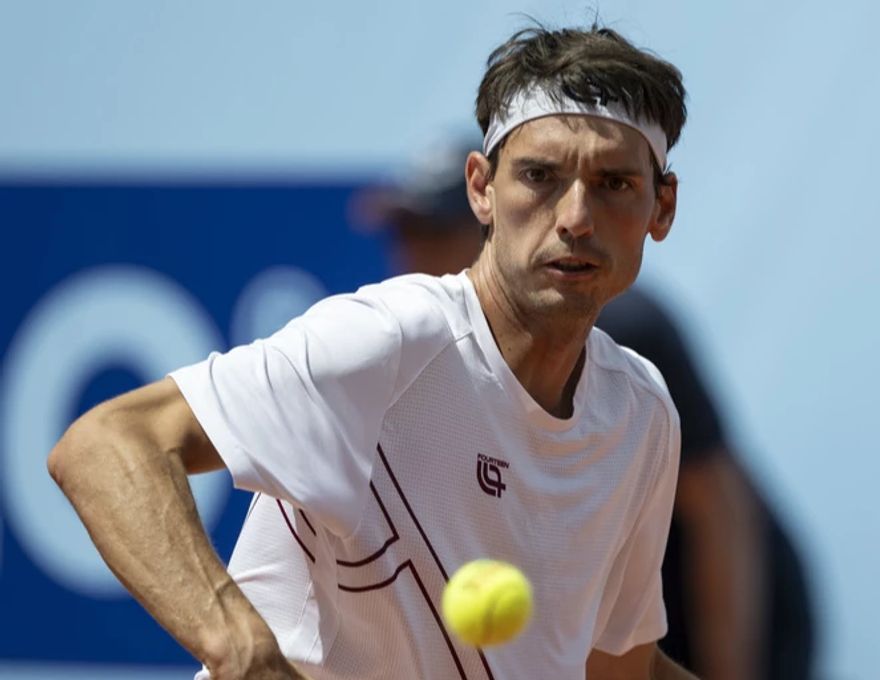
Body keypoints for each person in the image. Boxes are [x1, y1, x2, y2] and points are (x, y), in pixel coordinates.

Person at [48, 24, 700, 680]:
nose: (576, 218)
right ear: (482, 189)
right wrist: (243, 647)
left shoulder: (640, 414)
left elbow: (618, 668)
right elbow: (104, 443)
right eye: (540, 175)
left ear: (661, 207)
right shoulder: (392, 341)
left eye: (614, 184)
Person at [360, 141, 817, 680]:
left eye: (431, 234)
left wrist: (732, 671)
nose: (409, 257)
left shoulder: (622, 332)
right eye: (403, 235)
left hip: (722, 624)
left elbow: (718, 510)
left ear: (495, 227)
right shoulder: (422, 352)